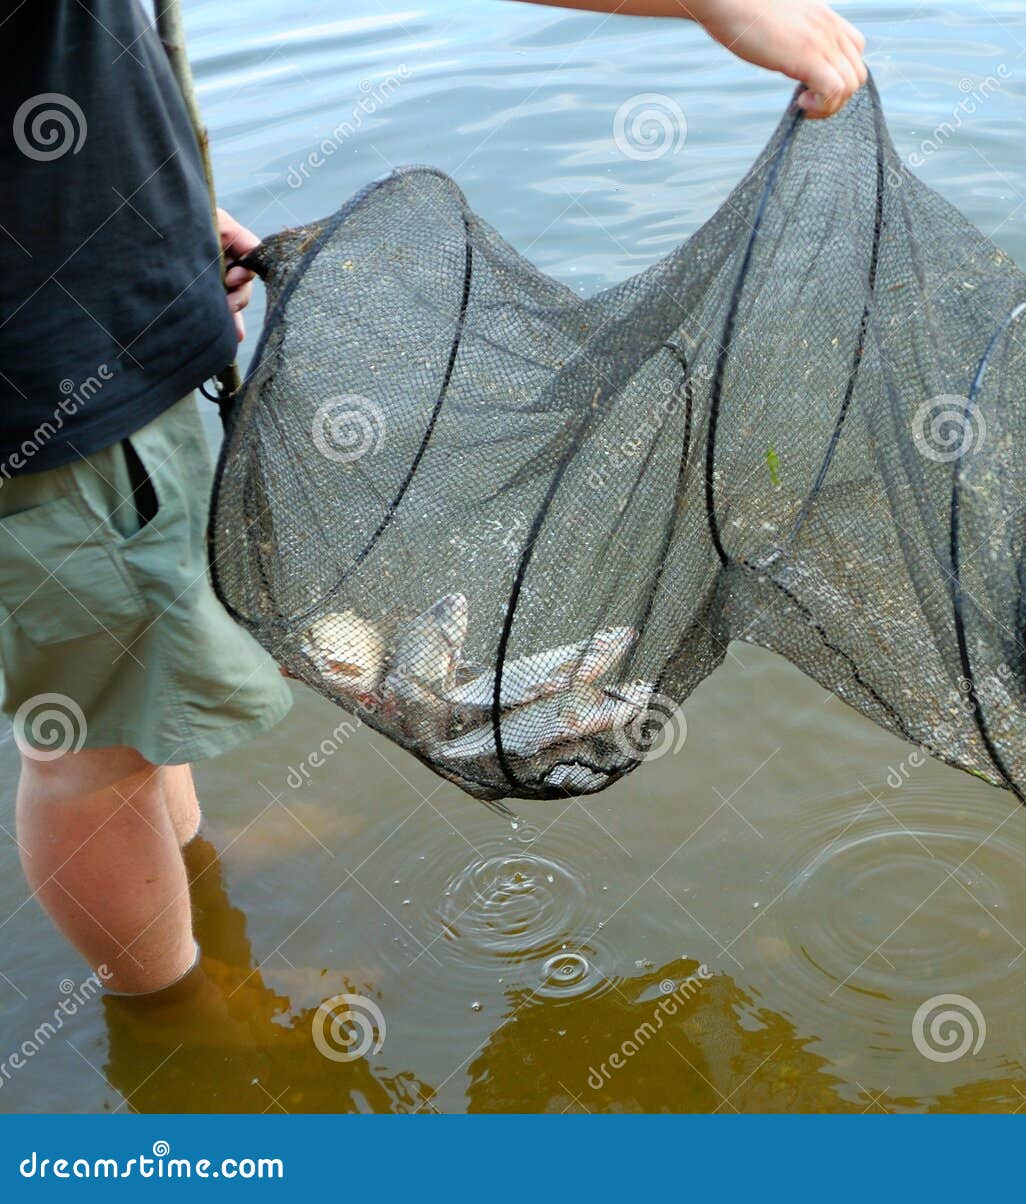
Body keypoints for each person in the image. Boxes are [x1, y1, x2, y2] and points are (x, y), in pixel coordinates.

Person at [1, 0, 866, 998]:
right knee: (87, 747)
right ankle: (182, 1008)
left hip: (111, 323)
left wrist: (158, 210)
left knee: (140, 675)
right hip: (43, 378)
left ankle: (192, 860)